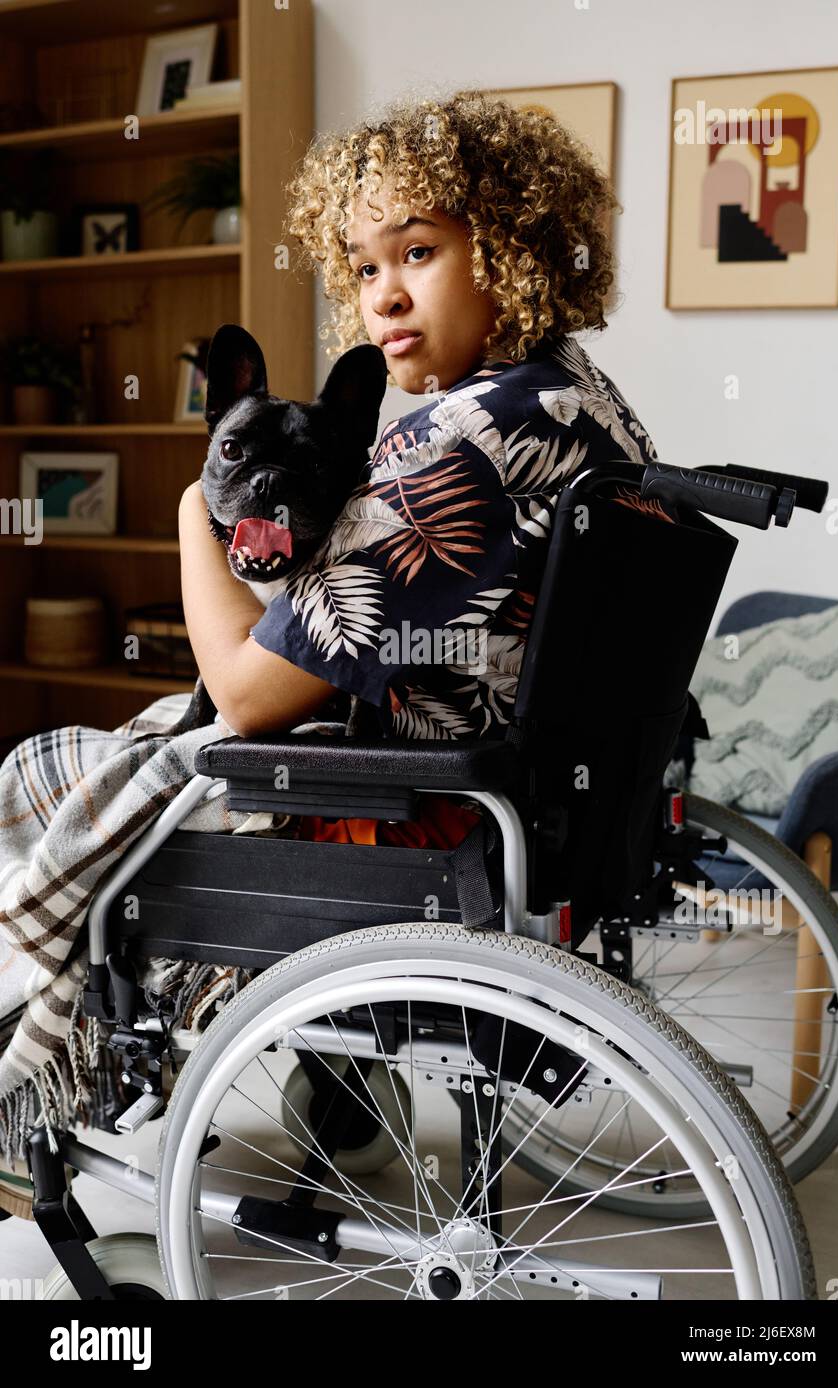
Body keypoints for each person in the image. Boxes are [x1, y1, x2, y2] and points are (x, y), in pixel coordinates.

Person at [177, 89, 664, 849]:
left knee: (35, 771)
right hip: (539, 811)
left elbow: (245, 699)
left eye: (416, 252)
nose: (385, 298)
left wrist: (194, 507)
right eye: (363, 268)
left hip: (410, 820)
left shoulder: (457, 443)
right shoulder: (581, 399)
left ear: (509, 247)